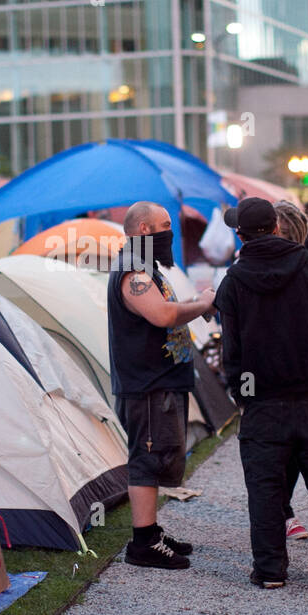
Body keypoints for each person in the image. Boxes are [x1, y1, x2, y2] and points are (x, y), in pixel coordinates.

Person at [215, 198, 308, 589]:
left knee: (264, 488)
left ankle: (271, 570)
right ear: (276, 227)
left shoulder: (235, 281)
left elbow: (232, 351)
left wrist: (242, 396)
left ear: (240, 234)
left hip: (261, 400)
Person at [107, 201, 216, 570]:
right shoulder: (132, 271)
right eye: (164, 225)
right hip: (147, 385)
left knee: (160, 457)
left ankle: (151, 532)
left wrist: (195, 303)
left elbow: (165, 307)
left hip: (161, 381)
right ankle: (142, 545)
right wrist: (201, 304)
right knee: (147, 460)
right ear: (142, 230)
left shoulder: (146, 267)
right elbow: (162, 314)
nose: (170, 232)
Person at [272, 200, 308, 542]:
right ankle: (284, 513)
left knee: (305, 453)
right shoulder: (250, 265)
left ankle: (300, 516)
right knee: (280, 452)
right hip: (271, 376)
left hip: (304, 375)